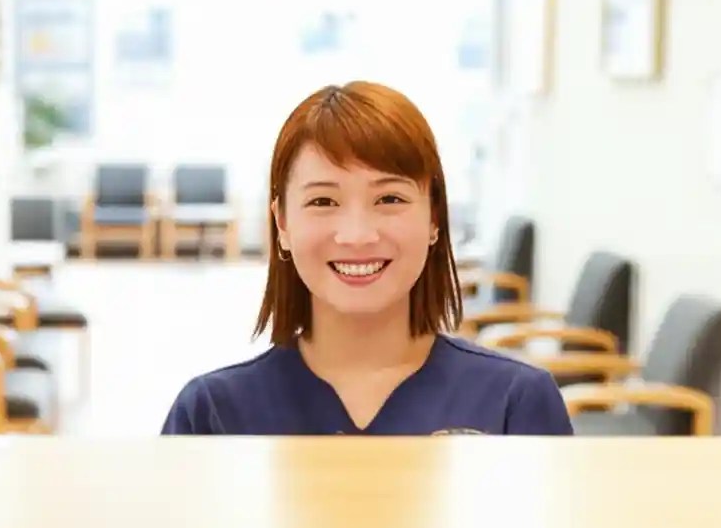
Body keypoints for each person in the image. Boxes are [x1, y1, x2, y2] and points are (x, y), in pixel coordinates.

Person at [160, 82, 572, 436]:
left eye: (389, 199)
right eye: (323, 201)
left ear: (435, 218)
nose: (357, 235)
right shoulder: (211, 415)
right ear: (282, 223)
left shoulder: (516, 404)